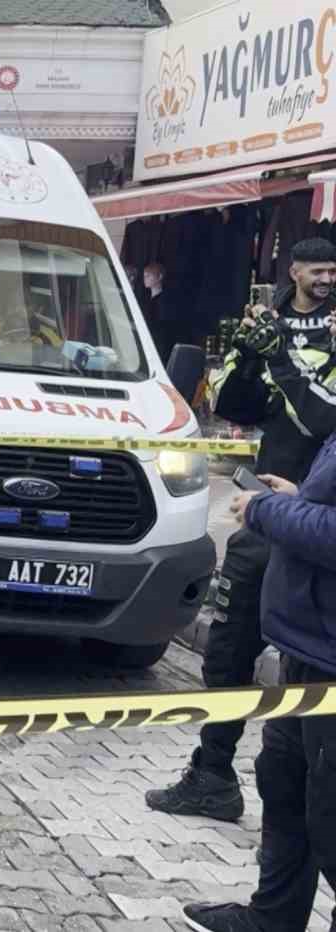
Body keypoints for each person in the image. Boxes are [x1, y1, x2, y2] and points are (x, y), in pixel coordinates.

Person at [148, 237, 336, 822]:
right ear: (295, 270)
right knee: (229, 648)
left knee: (306, 664)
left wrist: (280, 359)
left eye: (335, 269)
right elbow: (236, 404)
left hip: (317, 524)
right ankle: (212, 774)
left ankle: (308, 807)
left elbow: (323, 419)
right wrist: (253, 354)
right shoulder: (267, 319)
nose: (328, 279)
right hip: (261, 511)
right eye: (320, 269)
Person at [181, 435, 336, 932]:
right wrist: (298, 500)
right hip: (308, 651)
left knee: (331, 818)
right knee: (283, 781)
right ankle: (273, 918)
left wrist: (267, 510)